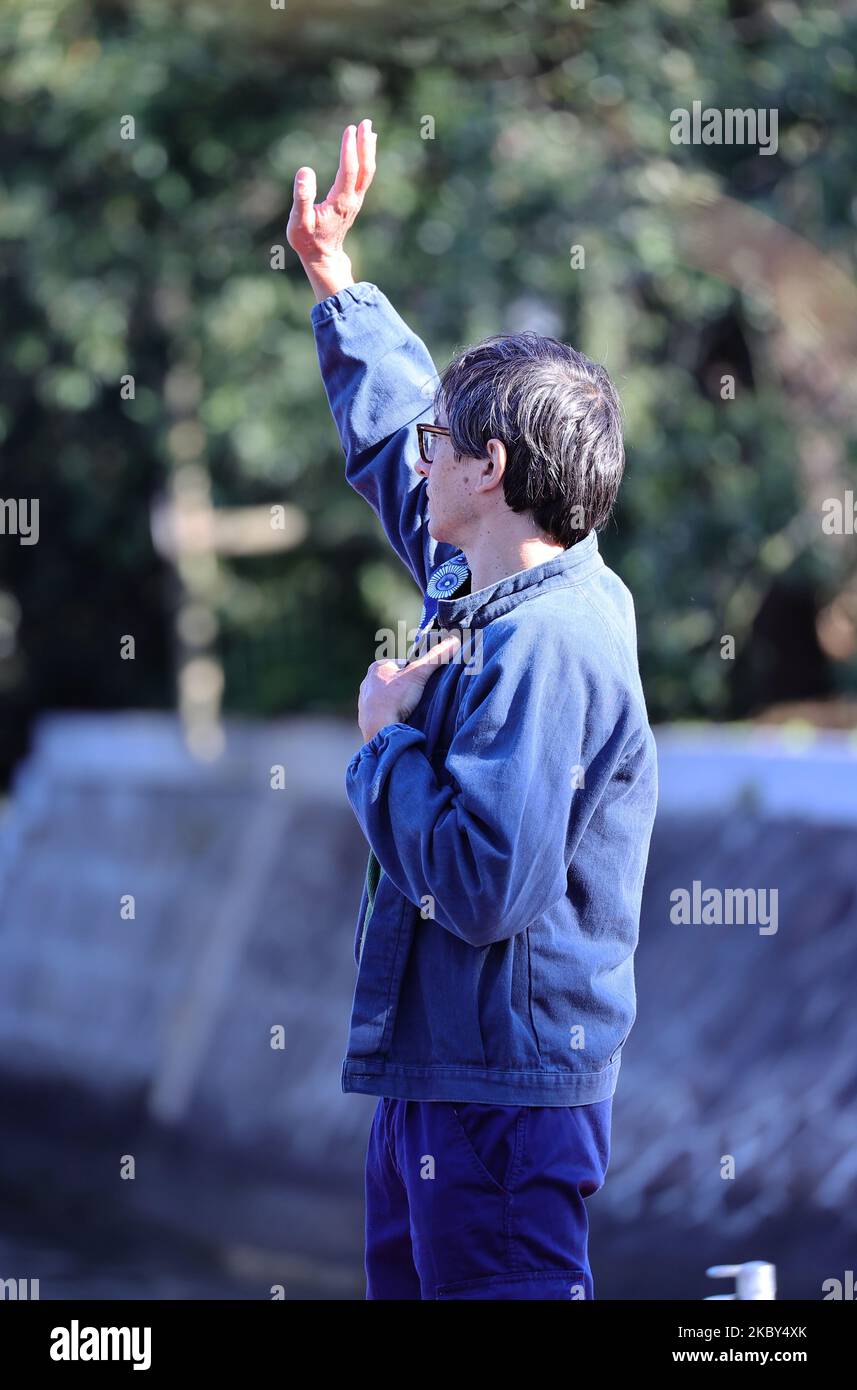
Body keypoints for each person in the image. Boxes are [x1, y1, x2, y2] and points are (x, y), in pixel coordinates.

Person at [287, 119, 658, 1301]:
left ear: (488, 470)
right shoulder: (484, 573)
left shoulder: (551, 638)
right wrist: (335, 285)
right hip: (441, 1074)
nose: (425, 454)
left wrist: (385, 742)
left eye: (448, 440)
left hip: (503, 1094)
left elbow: (486, 884)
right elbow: (399, 432)